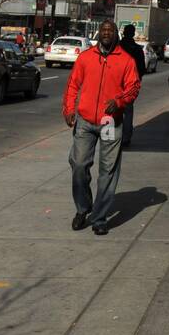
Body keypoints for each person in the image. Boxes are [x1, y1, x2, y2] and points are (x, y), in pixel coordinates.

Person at [63, 19, 140, 236]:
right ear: (99, 33)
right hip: (85, 121)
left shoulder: (126, 60)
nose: (107, 33)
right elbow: (72, 85)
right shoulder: (86, 57)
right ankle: (82, 208)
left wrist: (120, 101)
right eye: (104, 30)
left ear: (116, 34)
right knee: (78, 164)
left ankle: (99, 218)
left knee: (107, 170)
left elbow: (133, 87)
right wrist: (69, 109)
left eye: (111, 30)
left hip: (109, 121)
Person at [118, 24, 147, 149]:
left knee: (112, 109)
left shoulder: (117, 47)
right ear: (133, 33)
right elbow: (142, 69)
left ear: (124, 33)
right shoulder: (137, 49)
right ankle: (125, 138)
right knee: (128, 111)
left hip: (116, 83)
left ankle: (111, 136)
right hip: (130, 84)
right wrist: (136, 81)